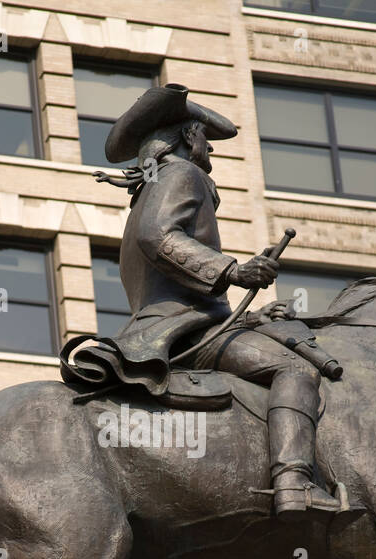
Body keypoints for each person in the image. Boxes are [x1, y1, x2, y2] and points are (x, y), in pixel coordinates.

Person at [65, 83, 340, 517]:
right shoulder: (183, 174)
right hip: (187, 329)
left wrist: (255, 315)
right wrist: (233, 270)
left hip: (177, 325)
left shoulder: (149, 191)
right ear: (190, 138)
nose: (210, 148)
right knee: (295, 369)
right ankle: (293, 483)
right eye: (204, 138)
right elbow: (158, 236)